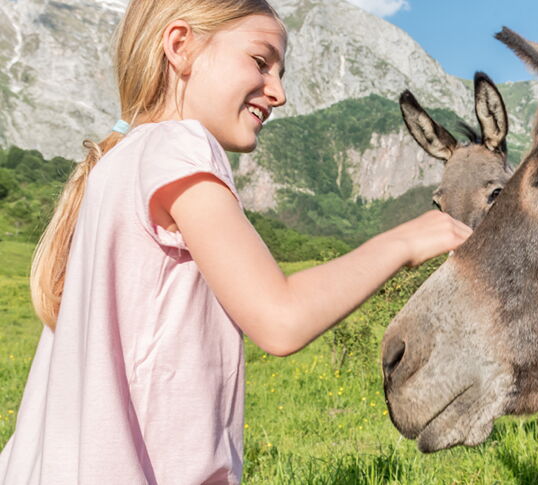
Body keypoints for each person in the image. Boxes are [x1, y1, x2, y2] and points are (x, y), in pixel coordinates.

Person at [0, 0, 471, 483]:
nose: (279, 93)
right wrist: (405, 241)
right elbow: (281, 318)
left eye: (280, 72)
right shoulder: (179, 146)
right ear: (180, 46)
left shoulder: (113, 168)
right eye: (260, 61)